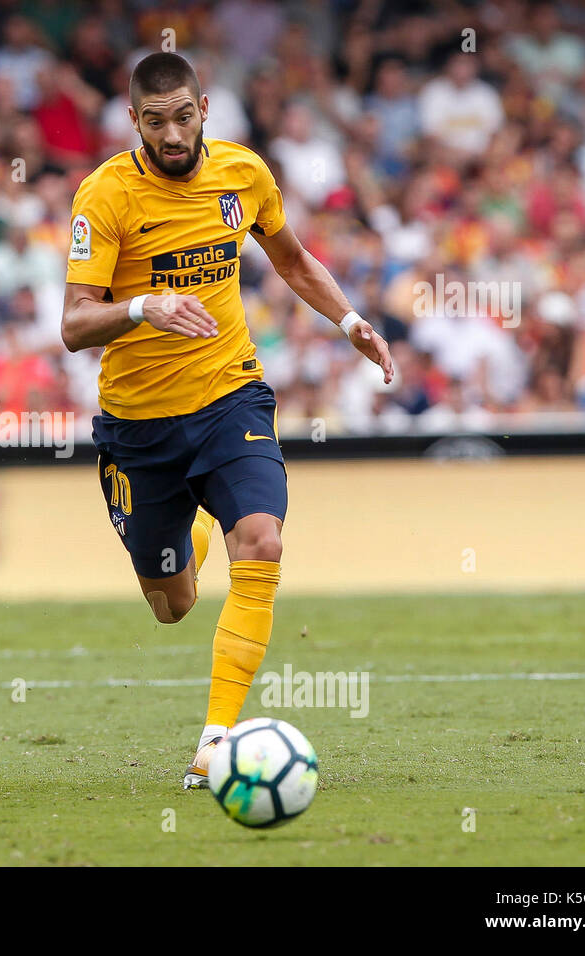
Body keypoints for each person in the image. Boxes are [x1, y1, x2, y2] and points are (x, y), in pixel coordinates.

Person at [61, 53, 393, 789]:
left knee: (265, 540)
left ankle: (216, 744)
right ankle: (192, 527)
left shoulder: (244, 174)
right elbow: (75, 326)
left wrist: (351, 322)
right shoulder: (105, 196)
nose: (172, 134)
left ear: (205, 108)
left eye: (184, 116)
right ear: (133, 121)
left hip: (229, 398)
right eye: (156, 122)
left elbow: (293, 258)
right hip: (138, 426)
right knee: (171, 605)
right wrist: (146, 305)